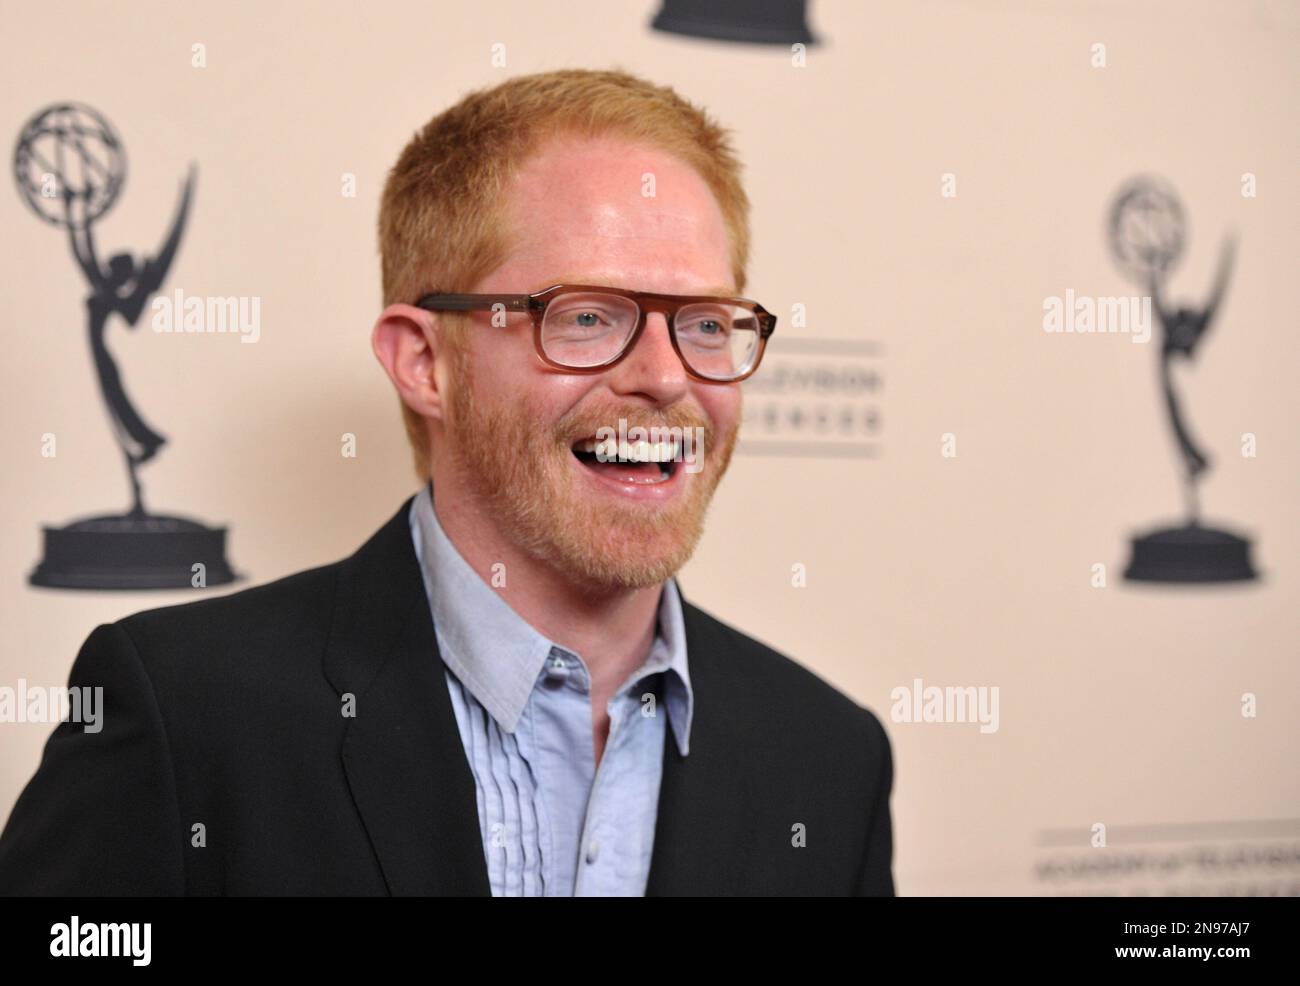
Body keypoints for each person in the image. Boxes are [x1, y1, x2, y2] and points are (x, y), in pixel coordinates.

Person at [0, 69, 894, 896]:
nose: (666, 377)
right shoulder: (184, 716)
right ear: (426, 361)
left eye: (706, 324)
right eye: (586, 317)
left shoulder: (829, 760)